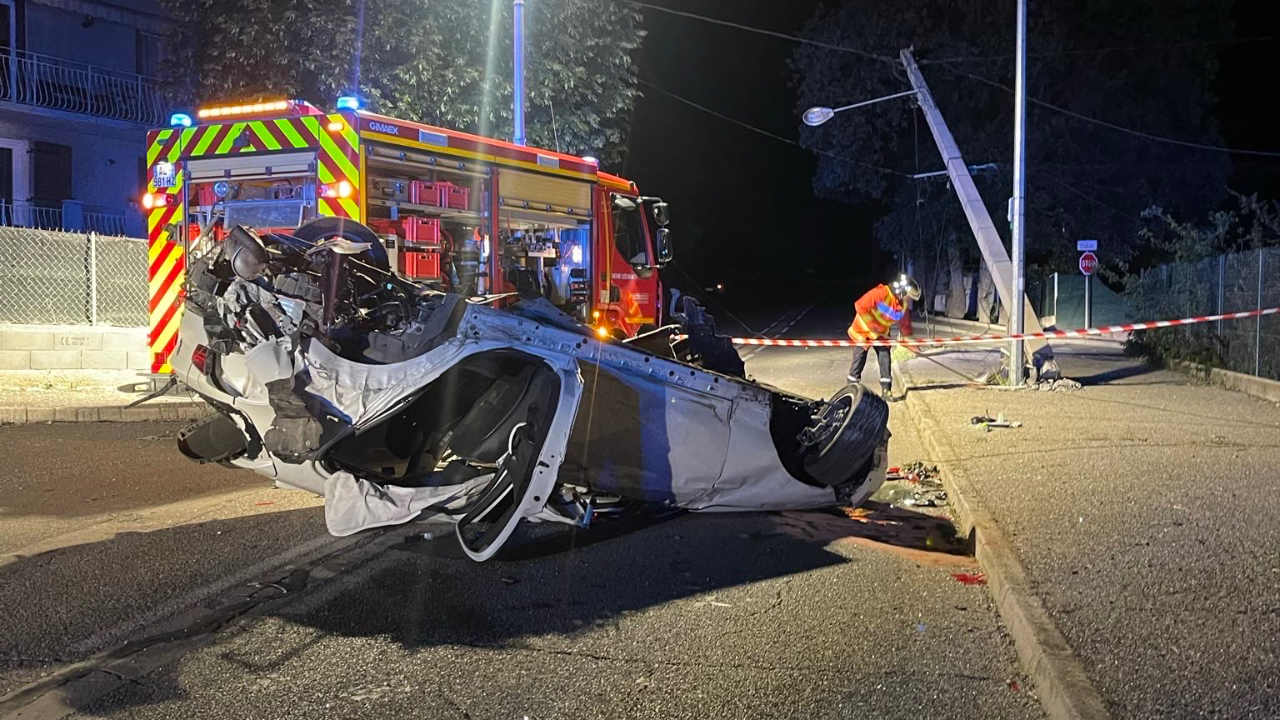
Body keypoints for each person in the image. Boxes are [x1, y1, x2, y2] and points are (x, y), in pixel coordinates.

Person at [847, 274, 921, 401]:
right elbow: (860, 305)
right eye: (909, 297)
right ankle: (850, 390)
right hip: (863, 330)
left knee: (885, 358)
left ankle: (886, 391)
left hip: (881, 333)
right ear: (902, 292)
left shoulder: (902, 305)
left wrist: (910, 343)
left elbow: (905, 325)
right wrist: (873, 327)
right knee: (859, 360)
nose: (910, 301)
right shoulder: (880, 293)